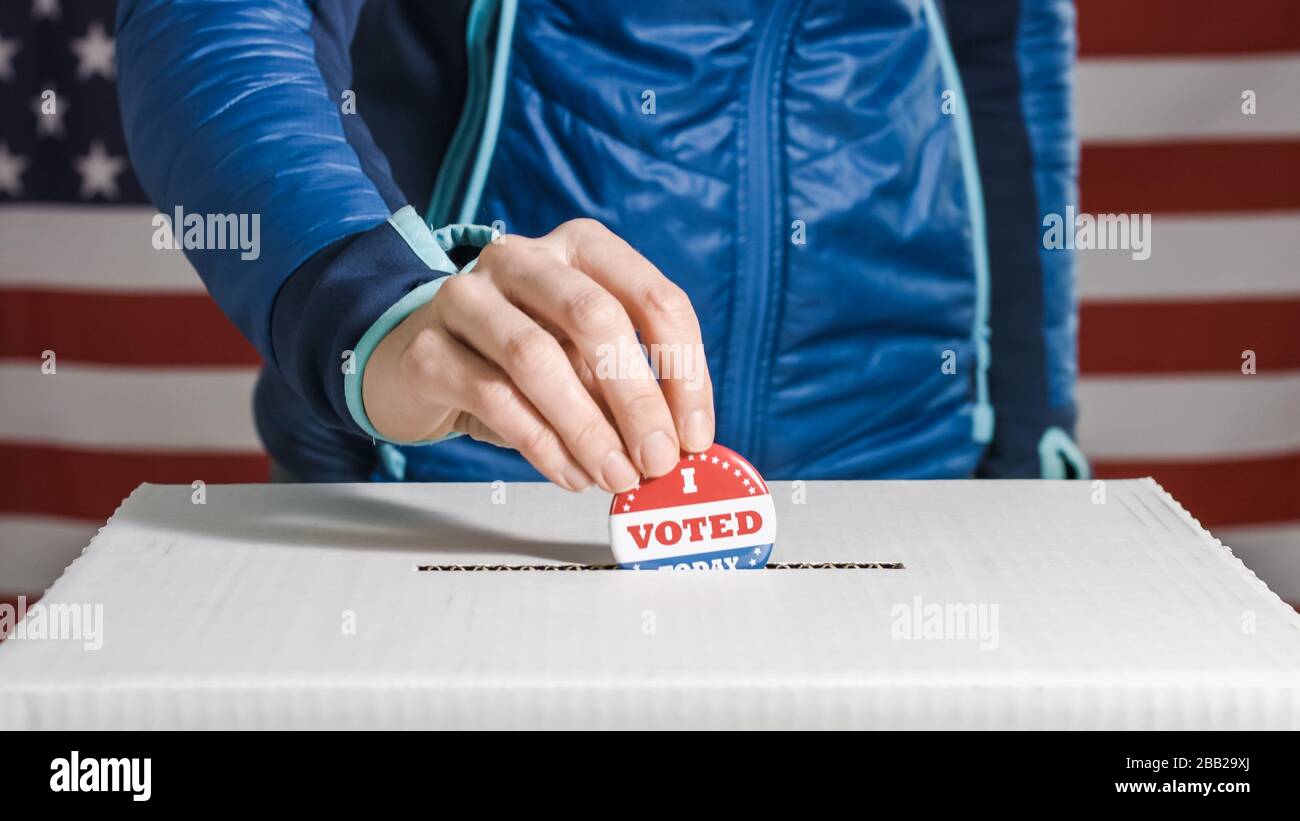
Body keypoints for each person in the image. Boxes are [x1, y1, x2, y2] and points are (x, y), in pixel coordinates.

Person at [115, 0, 1088, 491]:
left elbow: (995, 57)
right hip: (482, 457)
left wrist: (1030, 426)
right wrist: (366, 298)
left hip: (907, 458)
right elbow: (223, 21)